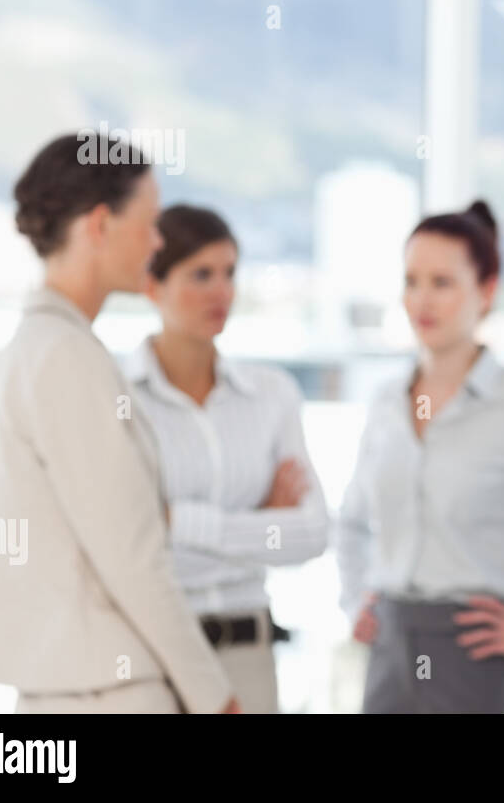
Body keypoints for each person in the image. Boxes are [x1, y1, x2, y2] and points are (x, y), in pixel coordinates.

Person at [0, 133, 237, 713]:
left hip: (66, 686)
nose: (158, 242)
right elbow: (133, 556)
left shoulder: (32, 345)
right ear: (99, 225)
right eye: (150, 222)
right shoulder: (66, 355)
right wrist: (217, 699)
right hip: (107, 690)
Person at [337, 200, 504, 713]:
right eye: (412, 281)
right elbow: (351, 524)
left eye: (442, 282)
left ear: (488, 291)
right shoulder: (386, 402)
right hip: (388, 649)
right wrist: (353, 602)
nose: (421, 300)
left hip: (478, 652)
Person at [126, 205, 329, 714]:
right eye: (201, 274)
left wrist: (180, 521)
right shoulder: (120, 398)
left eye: (229, 273)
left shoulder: (271, 394)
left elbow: (311, 533)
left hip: (250, 658)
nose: (222, 291)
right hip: (153, 656)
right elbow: (129, 541)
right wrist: (259, 524)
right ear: (152, 285)